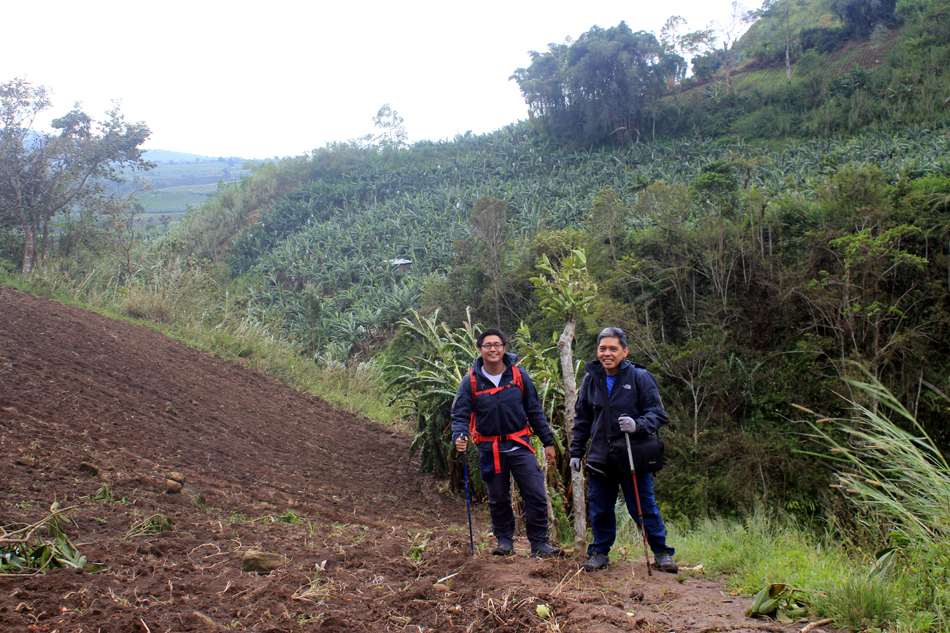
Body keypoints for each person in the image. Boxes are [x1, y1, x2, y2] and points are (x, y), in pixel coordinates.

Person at [569, 327, 678, 573]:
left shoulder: (641, 377)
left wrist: (638, 424)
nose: (607, 354)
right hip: (600, 456)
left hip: (633, 455)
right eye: (602, 349)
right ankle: (599, 553)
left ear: (625, 351)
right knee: (600, 508)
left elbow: (657, 414)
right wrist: (576, 452)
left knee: (643, 507)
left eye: (613, 349)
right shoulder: (591, 379)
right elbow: (582, 418)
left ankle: (662, 553)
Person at [451, 328, 564, 558]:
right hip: (489, 448)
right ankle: (504, 541)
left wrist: (548, 441)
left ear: (504, 348)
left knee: (535, 493)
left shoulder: (518, 376)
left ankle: (539, 543)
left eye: (497, 344)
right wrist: (459, 435)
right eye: (487, 345)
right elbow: (460, 414)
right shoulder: (471, 381)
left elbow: (534, 410)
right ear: (480, 350)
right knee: (498, 498)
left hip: (519, 444)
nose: (492, 349)